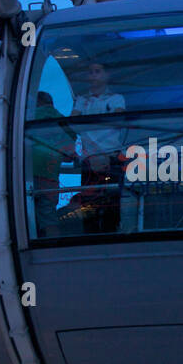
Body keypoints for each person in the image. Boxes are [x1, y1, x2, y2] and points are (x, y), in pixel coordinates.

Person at [71, 61, 127, 233]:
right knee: (89, 204)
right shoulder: (81, 100)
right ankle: (91, 238)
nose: (93, 75)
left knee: (112, 202)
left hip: (111, 157)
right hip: (90, 158)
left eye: (98, 71)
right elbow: (73, 122)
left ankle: (112, 236)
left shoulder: (116, 98)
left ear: (107, 75)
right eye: (90, 72)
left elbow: (118, 119)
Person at [30, 92, 76, 237]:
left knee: (25, 213)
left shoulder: (29, 117)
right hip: (50, 176)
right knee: (49, 216)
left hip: (29, 171)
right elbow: (70, 149)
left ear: (38, 102)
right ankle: (53, 244)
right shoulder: (62, 121)